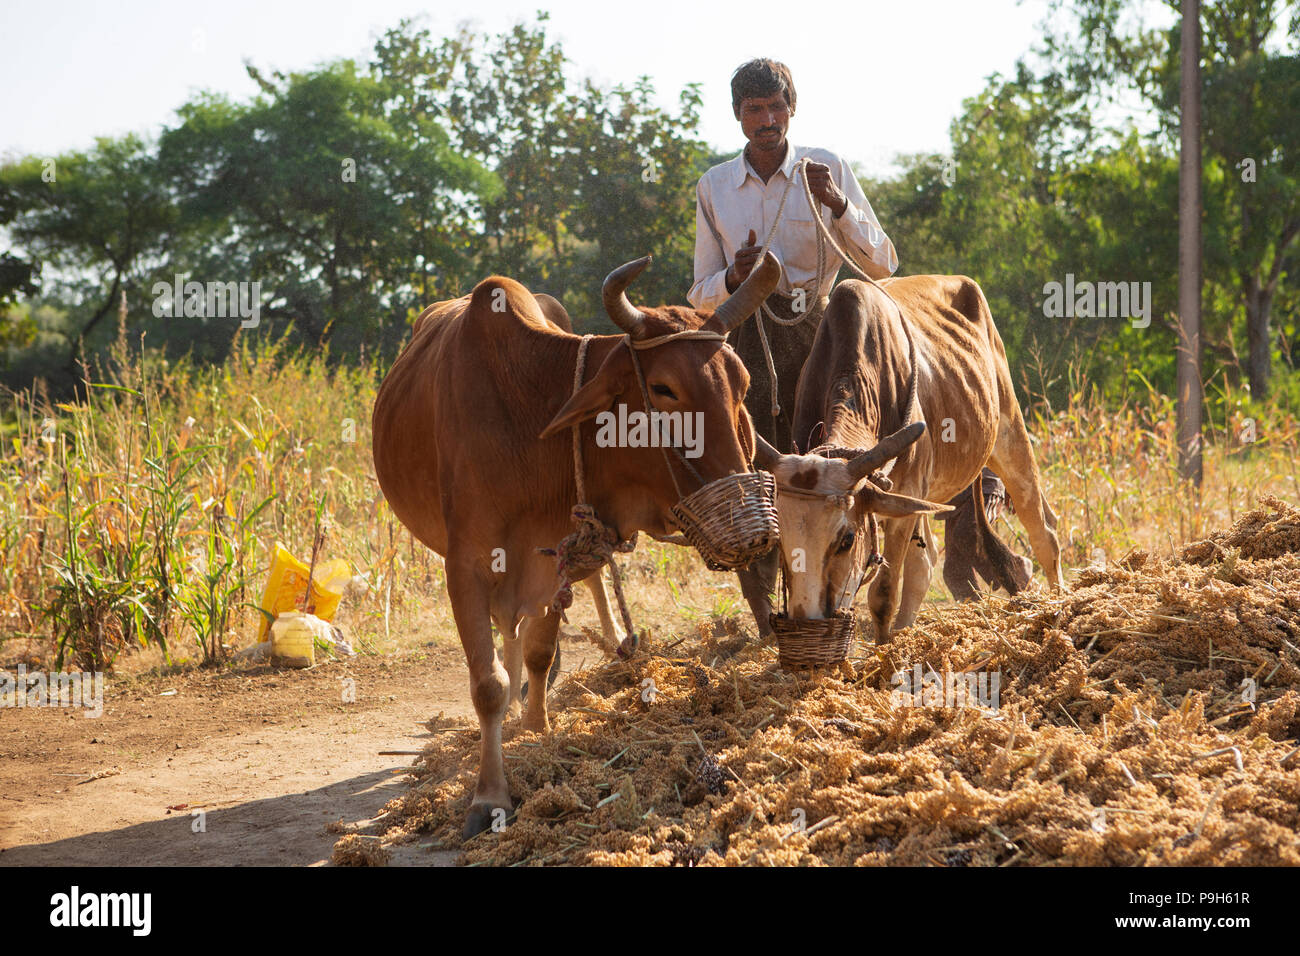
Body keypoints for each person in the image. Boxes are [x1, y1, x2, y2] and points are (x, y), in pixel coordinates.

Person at [689, 57, 899, 636]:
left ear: (792, 108)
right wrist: (734, 279)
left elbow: (883, 262)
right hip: (750, 346)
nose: (766, 120)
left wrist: (836, 203)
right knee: (757, 480)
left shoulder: (826, 168)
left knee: (836, 472)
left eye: (775, 107)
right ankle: (768, 622)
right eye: (753, 110)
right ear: (737, 118)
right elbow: (699, 295)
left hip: (823, 338)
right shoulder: (714, 187)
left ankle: (840, 610)